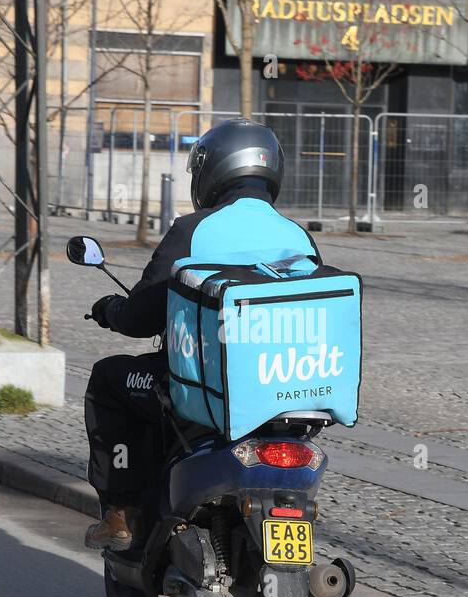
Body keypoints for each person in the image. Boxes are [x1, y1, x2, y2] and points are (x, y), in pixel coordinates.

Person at [83, 118, 320, 550]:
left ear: (213, 171)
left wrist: (110, 310)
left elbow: (142, 317)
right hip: (284, 390)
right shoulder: (298, 235)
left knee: (107, 379)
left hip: (202, 388)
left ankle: (120, 512)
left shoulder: (194, 230)